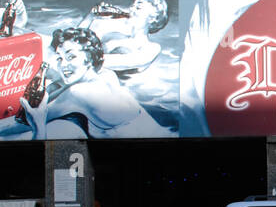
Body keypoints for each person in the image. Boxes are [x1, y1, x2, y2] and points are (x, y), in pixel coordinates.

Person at [16, 28, 168, 139]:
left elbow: (28, 118)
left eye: (71, 57)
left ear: (88, 58)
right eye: (60, 58)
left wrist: (38, 127)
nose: (63, 65)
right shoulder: (108, 75)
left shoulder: (78, 93)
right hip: (165, 135)